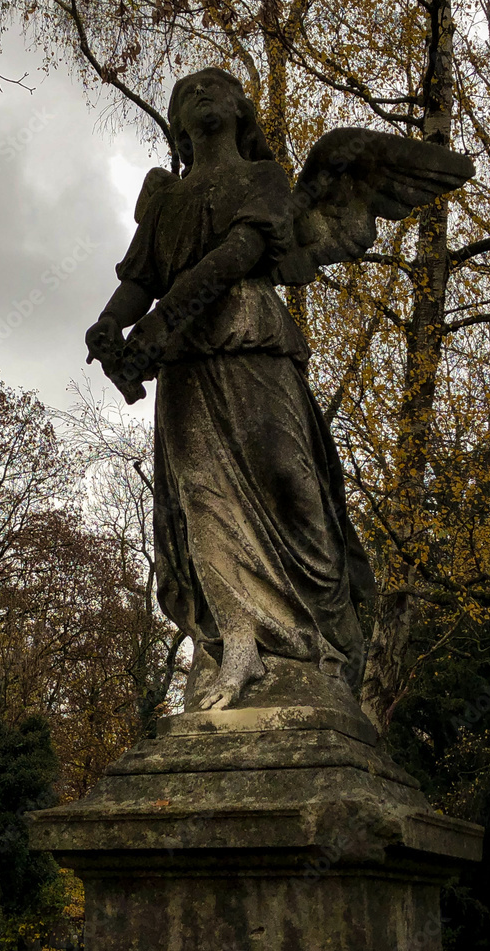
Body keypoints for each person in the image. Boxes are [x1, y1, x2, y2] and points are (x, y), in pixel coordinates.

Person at [86, 68, 374, 710]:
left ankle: (329, 641)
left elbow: (243, 250)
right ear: (178, 125)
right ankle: (237, 645)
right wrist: (110, 322)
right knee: (204, 499)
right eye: (187, 92)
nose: (201, 94)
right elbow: (142, 276)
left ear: (242, 110)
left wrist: (164, 319)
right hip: (186, 364)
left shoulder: (263, 179)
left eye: (215, 87)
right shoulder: (165, 200)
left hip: (249, 336)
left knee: (290, 482)